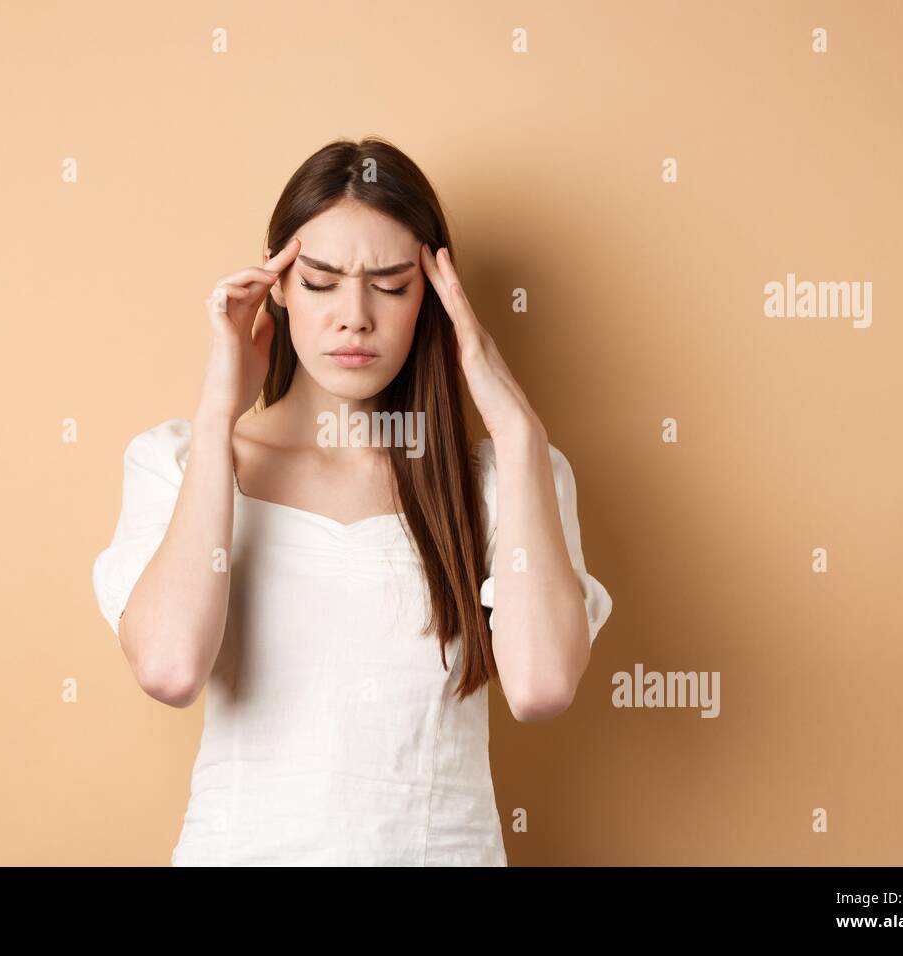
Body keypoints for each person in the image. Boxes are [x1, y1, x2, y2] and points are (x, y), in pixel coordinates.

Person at [92, 136, 612, 865]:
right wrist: (218, 415)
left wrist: (518, 428)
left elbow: (543, 687)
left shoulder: (507, 479)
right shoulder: (180, 463)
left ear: (434, 295)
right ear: (275, 286)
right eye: (321, 282)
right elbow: (171, 669)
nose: (355, 316)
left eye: (392, 285)